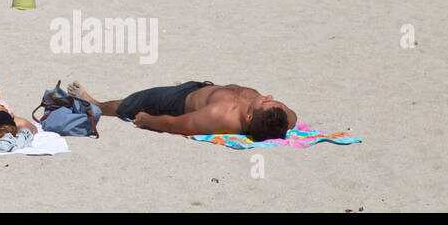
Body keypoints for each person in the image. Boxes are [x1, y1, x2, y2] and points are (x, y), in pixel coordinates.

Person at [68, 80, 295, 142]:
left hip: (178, 101)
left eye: (264, 102)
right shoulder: (279, 117)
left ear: (248, 117)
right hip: (206, 88)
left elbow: (175, 125)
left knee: (131, 103)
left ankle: (95, 104)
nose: (269, 97)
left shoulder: (218, 115)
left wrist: (148, 120)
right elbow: (292, 117)